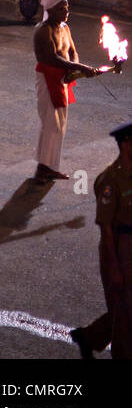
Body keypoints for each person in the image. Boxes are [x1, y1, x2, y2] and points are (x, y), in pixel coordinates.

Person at [70, 122, 132, 360]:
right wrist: (113, 267)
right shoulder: (110, 181)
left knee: (125, 309)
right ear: (126, 144)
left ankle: (90, 337)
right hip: (120, 246)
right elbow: (106, 229)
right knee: (124, 315)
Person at [32, 0, 97, 182]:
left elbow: (72, 52)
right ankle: (42, 169)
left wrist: (75, 69)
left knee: (60, 125)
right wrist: (80, 68)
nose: (66, 11)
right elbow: (52, 58)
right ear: (50, 10)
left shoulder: (65, 28)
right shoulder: (43, 30)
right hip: (48, 77)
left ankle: (52, 167)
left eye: (67, 8)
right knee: (50, 124)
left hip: (62, 78)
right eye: (61, 9)